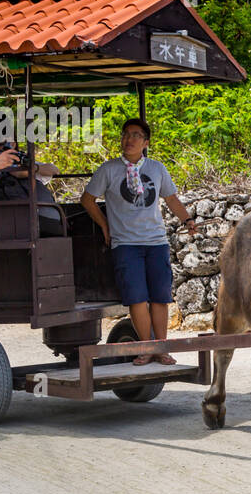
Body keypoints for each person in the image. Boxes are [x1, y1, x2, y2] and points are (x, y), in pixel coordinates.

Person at [81, 119, 198, 365]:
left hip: (156, 241)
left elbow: (171, 198)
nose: (129, 139)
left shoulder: (156, 168)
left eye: (136, 135)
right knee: (136, 298)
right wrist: (105, 225)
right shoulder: (109, 169)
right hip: (125, 244)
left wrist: (187, 219)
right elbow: (88, 199)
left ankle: (161, 349)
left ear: (145, 143)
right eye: (125, 135)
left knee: (160, 297)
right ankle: (145, 347)